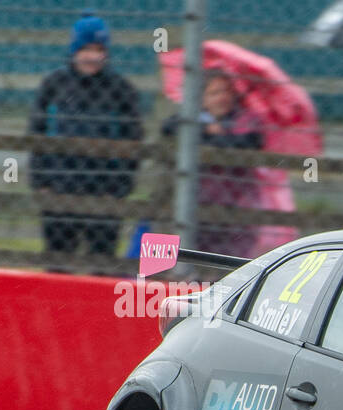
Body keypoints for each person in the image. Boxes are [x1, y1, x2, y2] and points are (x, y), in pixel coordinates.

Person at [28, 12, 141, 260]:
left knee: (102, 261)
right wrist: (41, 183)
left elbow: (133, 141)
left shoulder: (121, 90)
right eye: (85, 48)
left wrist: (119, 188)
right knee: (58, 259)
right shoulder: (53, 85)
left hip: (103, 190)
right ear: (74, 50)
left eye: (98, 49)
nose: (92, 56)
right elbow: (36, 136)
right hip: (60, 187)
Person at [161, 72, 264, 258]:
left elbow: (248, 143)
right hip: (194, 203)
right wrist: (205, 129)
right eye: (214, 93)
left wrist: (218, 136)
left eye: (226, 92)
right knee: (186, 255)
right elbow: (168, 127)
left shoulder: (244, 121)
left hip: (234, 208)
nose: (222, 98)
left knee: (228, 261)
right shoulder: (193, 119)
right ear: (202, 99)